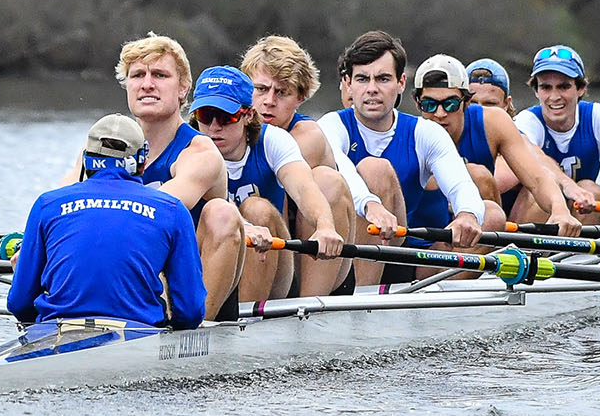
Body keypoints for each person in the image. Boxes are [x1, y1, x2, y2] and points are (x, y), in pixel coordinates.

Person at [8, 115, 207, 329]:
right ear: (142, 163)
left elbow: (19, 303)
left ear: (86, 159)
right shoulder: (172, 210)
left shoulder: (47, 204)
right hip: (138, 336)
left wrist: (36, 326)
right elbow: (191, 310)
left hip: (57, 330)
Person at [323, 30, 485, 283]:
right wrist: (370, 204)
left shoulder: (425, 132)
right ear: (348, 84)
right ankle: (362, 300)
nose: (372, 89)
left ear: (401, 83)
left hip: (400, 250)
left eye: (383, 79)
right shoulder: (331, 125)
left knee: (489, 217)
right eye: (363, 79)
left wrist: (467, 214)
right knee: (374, 169)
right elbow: (341, 167)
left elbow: (460, 183)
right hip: (345, 255)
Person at [109, 33, 246, 318]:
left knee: (222, 212)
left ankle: (194, 329)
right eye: (137, 76)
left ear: (183, 89)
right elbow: (61, 204)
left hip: (189, 289)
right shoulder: (101, 146)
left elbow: (153, 211)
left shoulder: (200, 152)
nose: (147, 84)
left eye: (159, 75)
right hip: (130, 277)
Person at [190, 65, 349, 302]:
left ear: (248, 116)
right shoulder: (189, 149)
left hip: (272, 260)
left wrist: (325, 225)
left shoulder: (273, 140)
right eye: (205, 116)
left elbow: (305, 188)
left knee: (258, 209)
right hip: (208, 264)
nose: (214, 127)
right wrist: (243, 226)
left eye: (226, 117)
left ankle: (248, 322)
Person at [239, 35, 391, 244]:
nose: (269, 101)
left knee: (322, 181)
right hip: (263, 242)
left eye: (282, 92)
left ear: (301, 97)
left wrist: (367, 202)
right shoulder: (226, 127)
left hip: (317, 248)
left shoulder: (307, 136)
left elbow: (344, 170)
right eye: (261, 89)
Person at [411, 53, 582, 238]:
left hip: (479, 227)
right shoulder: (407, 131)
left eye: (450, 104)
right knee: (476, 175)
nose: (440, 113)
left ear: (466, 101)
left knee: (482, 181)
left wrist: (559, 210)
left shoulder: (493, 121)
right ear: (418, 104)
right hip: (425, 234)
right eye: (429, 105)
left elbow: (538, 179)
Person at [512, 43, 600, 226]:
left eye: (563, 87)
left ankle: (576, 253)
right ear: (537, 91)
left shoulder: (599, 117)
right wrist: (568, 186)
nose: (554, 97)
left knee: (591, 190)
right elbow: (536, 158)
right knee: (543, 189)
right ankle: (533, 250)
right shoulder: (527, 121)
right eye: (546, 87)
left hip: (579, 210)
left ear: (581, 89)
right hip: (529, 217)